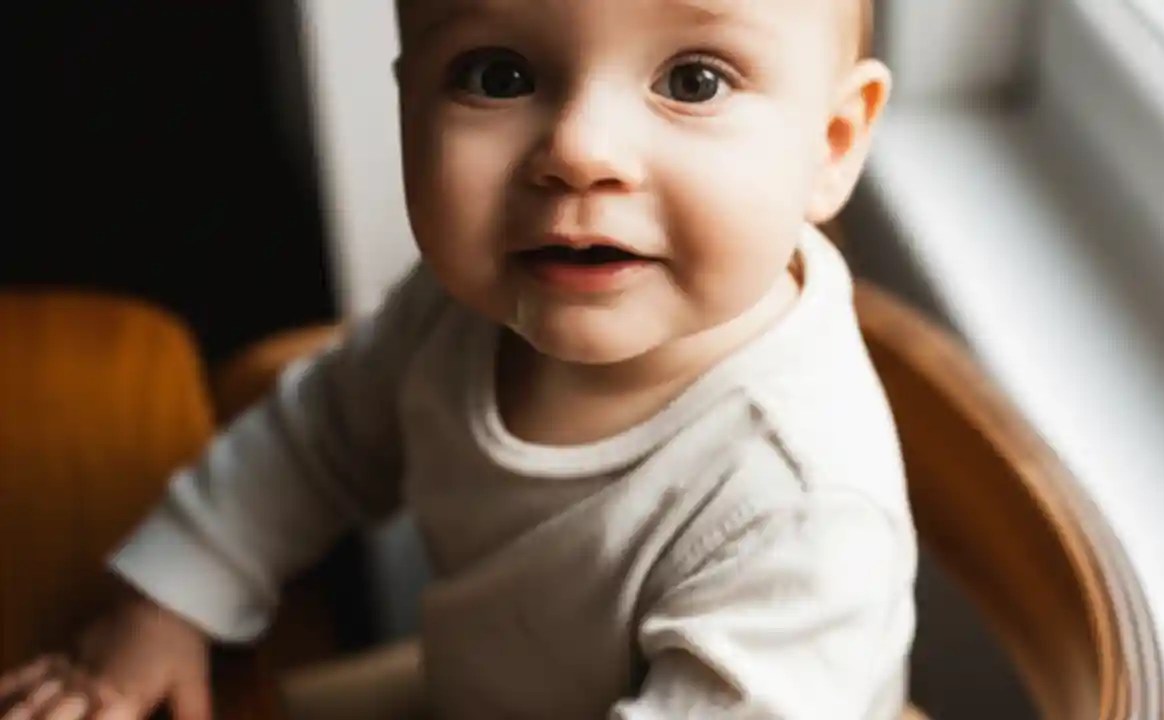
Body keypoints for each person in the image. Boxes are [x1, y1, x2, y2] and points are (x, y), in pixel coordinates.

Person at [0, 0, 917, 717]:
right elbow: (322, 433)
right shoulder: (471, 305)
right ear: (407, 94)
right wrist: (172, 600)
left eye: (694, 81)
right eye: (498, 72)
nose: (577, 153)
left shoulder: (798, 513)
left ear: (832, 145)